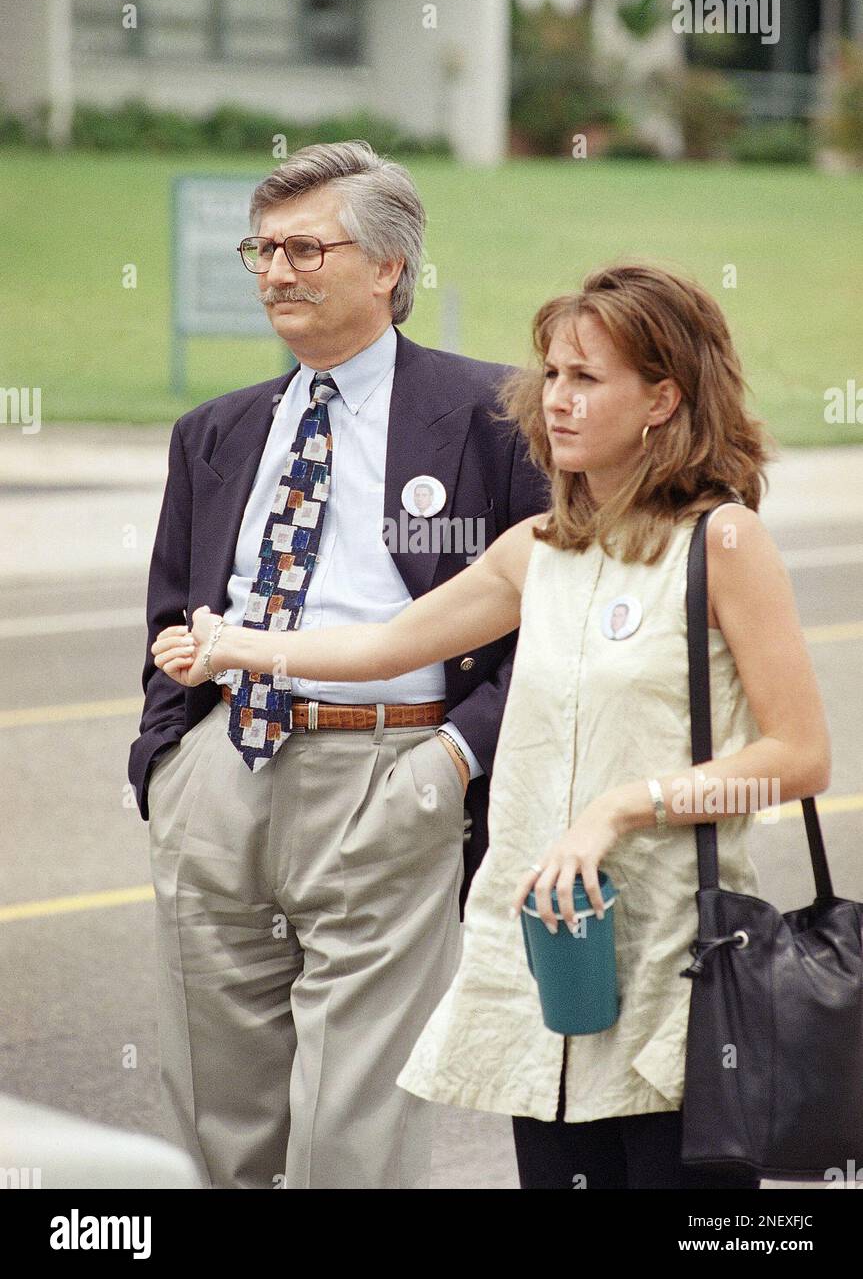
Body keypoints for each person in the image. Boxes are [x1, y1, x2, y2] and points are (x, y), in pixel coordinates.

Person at [153, 262, 831, 1191]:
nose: (554, 400)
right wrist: (237, 646)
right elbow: (389, 646)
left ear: (662, 399)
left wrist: (624, 808)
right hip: (545, 960)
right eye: (551, 373)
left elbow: (796, 759)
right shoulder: (538, 548)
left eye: (586, 379)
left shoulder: (723, 544)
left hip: (676, 963)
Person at [130, 140, 549, 1189]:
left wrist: (454, 758)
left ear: (387, 270)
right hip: (223, 778)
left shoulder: (496, 416)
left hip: (391, 776)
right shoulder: (213, 432)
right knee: (219, 1118)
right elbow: (168, 615)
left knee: (350, 1131)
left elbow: (551, 620)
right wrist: (166, 767)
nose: (276, 270)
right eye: (261, 249)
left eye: (306, 248)